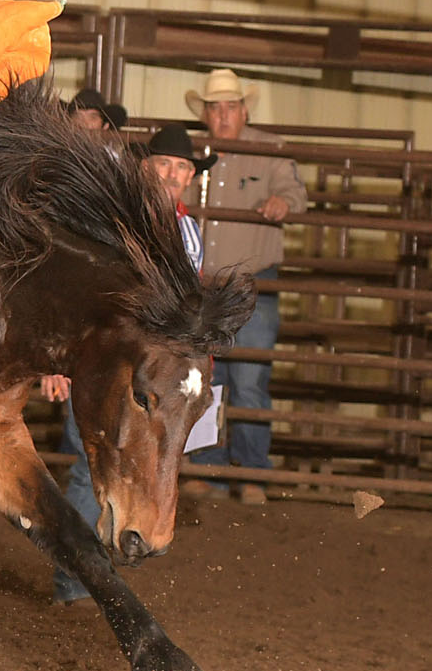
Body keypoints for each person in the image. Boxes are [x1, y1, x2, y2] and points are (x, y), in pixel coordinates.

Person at [47, 122, 211, 603]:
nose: (173, 173)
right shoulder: (115, 223)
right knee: (90, 466)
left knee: (129, 465)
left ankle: (85, 576)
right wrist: (60, 361)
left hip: (152, 377)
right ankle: (76, 583)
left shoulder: (188, 233)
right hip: (110, 369)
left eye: (182, 167)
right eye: (165, 164)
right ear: (145, 167)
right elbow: (82, 298)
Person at [183, 68, 305, 505]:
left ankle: (252, 475)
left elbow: (296, 195)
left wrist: (282, 202)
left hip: (253, 281)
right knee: (208, 378)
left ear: (244, 110)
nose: (222, 114)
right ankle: (211, 471)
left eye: (230, 106)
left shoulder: (270, 151)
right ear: (208, 114)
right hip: (205, 283)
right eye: (215, 108)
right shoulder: (198, 154)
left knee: (248, 380)